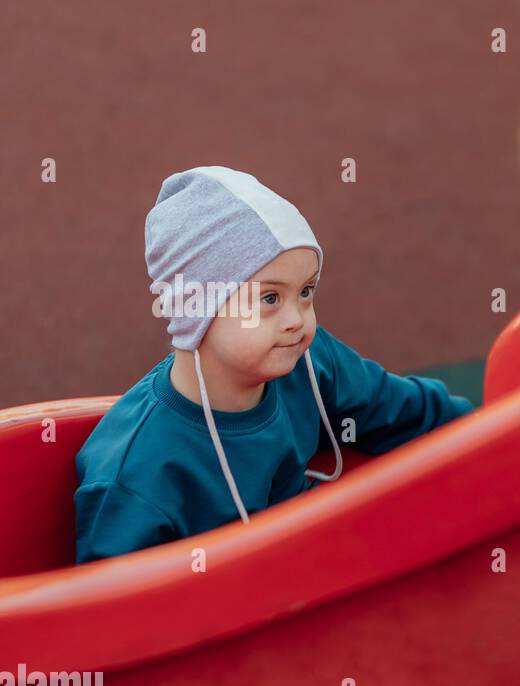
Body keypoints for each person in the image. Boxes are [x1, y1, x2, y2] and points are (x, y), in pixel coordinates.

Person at [74, 166, 473, 564]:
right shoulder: (139, 474)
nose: (296, 319)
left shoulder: (309, 361)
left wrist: (487, 433)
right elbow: (116, 612)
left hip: (303, 562)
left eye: (305, 292)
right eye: (269, 299)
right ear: (197, 307)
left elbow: (407, 411)